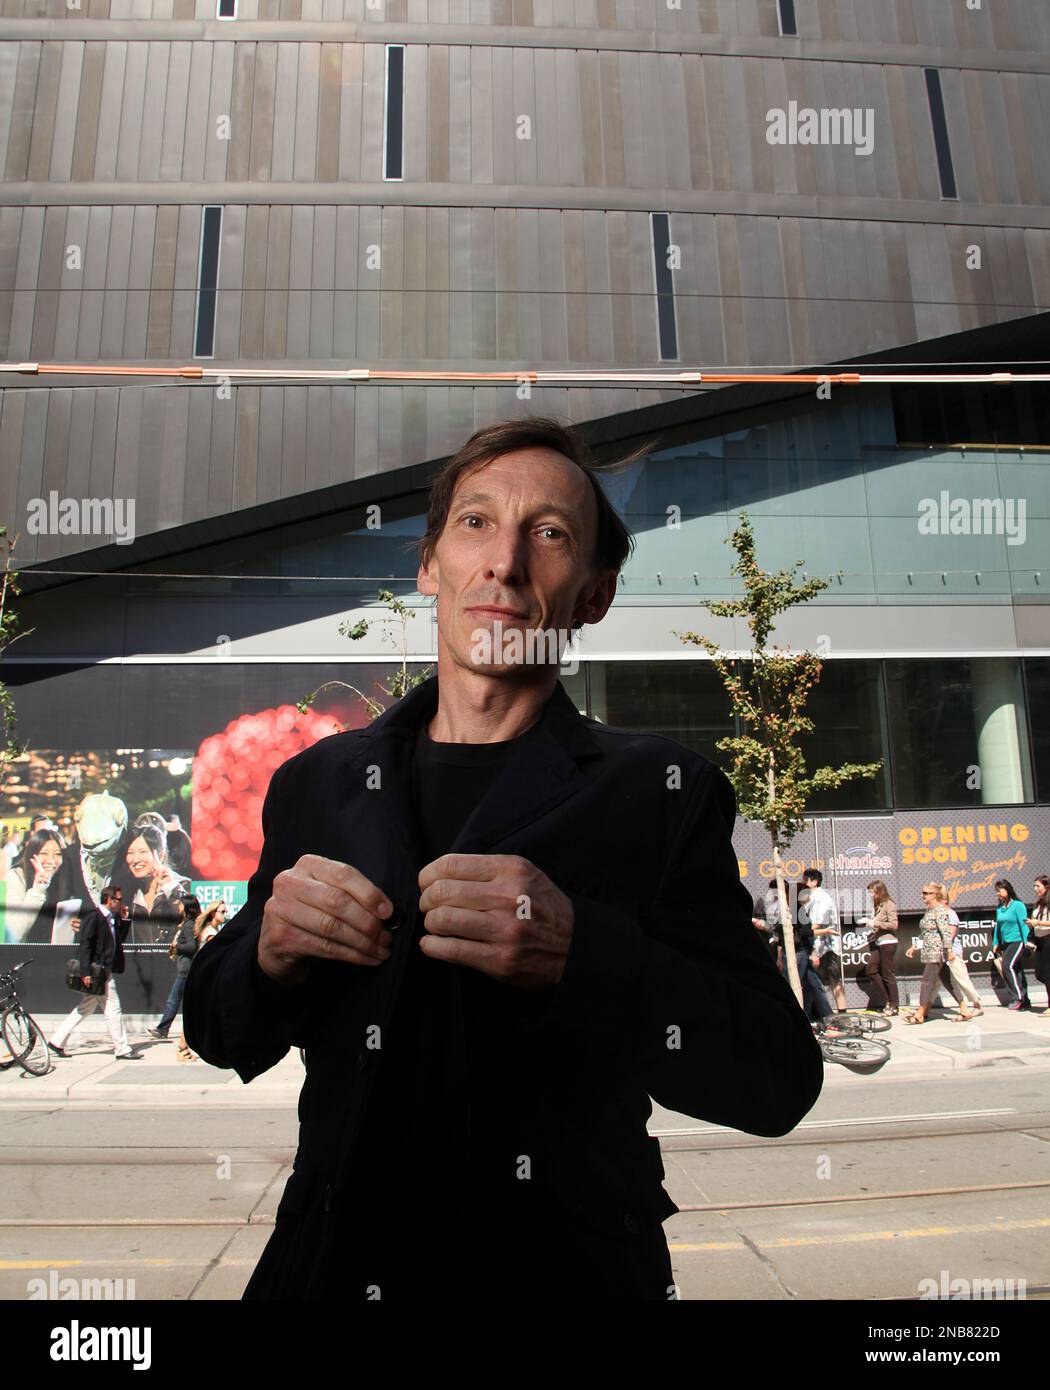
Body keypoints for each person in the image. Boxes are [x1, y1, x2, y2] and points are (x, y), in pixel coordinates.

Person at [183, 415, 824, 1302]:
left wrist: (582, 958)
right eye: (475, 523)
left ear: (593, 595)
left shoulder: (660, 792)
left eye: (550, 534)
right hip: (328, 1272)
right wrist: (265, 956)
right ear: (428, 566)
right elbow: (216, 1028)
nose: (505, 562)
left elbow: (777, 1081)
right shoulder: (318, 783)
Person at [49, 887, 141, 1060]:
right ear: (108, 899)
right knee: (113, 1008)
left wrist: (125, 918)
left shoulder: (111, 917)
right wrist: (86, 972)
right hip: (98, 971)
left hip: (104, 970)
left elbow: (118, 939)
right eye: (118, 899)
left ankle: (56, 1041)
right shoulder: (94, 916)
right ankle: (122, 1048)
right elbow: (85, 945)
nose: (121, 902)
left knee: (85, 1008)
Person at [148, 895, 202, 1052]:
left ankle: (163, 1028)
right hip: (186, 968)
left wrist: (176, 945)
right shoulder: (188, 924)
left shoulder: (188, 924)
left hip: (186, 969)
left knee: (174, 999)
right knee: (182, 1000)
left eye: (180, 905)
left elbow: (191, 946)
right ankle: (164, 1028)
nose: (178, 907)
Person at [125, 824, 191, 945]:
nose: (135, 859)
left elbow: (192, 922)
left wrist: (170, 888)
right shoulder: (128, 892)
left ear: (161, 855)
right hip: (140, 963)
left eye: (142, 852)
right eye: (130, 853)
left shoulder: (183, 885)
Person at [903, 885, 958, 1024]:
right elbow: (925, 932)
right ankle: (964, 1009)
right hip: (929, 949)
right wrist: (915, 946)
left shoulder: (939, 910)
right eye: (923, 893)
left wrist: (949, 950)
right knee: (947, 980)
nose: (923, 895)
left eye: (927, 893)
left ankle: (920, 1013)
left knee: (926, 982)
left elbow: (945, 932)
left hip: (937, 950)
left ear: (935, 895)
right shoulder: (929, 911)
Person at [3, 827, 64, 943]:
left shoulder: (63, 879)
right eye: (44, 853)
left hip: (54, 954)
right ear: (32, 854)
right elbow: (14, 933)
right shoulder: (16, 877)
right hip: (23, 955)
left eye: (58, 854)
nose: (51, 860)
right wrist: (38, 889)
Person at [936, 886, 983, 1021]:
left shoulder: (950, 914)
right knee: (934, 982)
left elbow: (950, 934)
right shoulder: (938, 914)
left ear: (944, 900)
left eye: (938, 900)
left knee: (962, 978)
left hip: (953, 952)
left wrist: (944, 947)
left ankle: (977, 1004)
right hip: (940, 953)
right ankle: (924, 1008)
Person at [855, 878, 899, 1016]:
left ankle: (894, 1005)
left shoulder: (888, 904)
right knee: (871, 970)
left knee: (887, 974)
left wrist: (874, 923)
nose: (870, 896)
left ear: (879, 892)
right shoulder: (877, 906)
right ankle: (888, 1000)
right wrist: (869, 925)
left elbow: (894, 925)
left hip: (888, 942)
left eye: (872, 893)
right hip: (878, 942)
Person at [804, 868, 845, 1012]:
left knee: (834, 981)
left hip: (826, 947)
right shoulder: (812, 899)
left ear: (814, 881)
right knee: (814, 983)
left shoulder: (821, 898)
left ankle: (842, 1016)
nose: (803, 884)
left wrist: (814, 951)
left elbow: (817, 923)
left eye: (805, 880)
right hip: (819, 946)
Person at [992, 878, 1031, 1011]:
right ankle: (1025, 1000)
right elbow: (998, 926)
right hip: (1006, 943)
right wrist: (996, 942)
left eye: (999, 890)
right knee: (1017, 970)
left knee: (1007, 966)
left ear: (1007, 889)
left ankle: (1017, 997)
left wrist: (1027, 942)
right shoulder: (1000, 907)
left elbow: (1023, 924)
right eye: (996, 891)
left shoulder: (1018, 905)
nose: (997, 893)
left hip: (1018, 940)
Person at [1025, 875, 1050, 1017]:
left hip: (1048, 940)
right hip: (1040, 941)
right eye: (1034, 886)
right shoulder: (1039, 904)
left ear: (1046, 887)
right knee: (1040, 974)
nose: (1035, 889)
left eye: (1038, 886)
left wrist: (1038, 923)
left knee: (1047, 975)